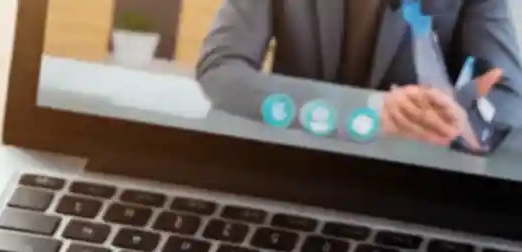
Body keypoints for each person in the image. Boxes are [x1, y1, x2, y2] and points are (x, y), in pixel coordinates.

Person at [195, 0, 522, 147]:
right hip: (290, 170)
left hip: (413, 192)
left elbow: (508, 97)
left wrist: (461, 123)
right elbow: (221, 68)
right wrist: (369, 110)